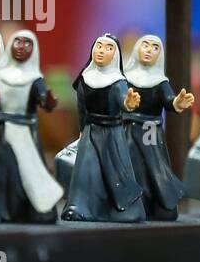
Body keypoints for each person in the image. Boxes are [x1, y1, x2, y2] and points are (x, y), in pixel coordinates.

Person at [0, 30, 62, 224]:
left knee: (30, 172)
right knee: (1, 172)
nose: (21, 47)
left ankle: (30, 211)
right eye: (17, 42)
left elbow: (44, 101)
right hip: (3, 132)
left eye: (27, 43)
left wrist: (49, 101)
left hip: (27, 135)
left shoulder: (35, 79)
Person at [61, 34, 146, 223]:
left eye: (108, 48)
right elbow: (81, 107)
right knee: (86, 170)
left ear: (115, 55)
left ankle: (120, 210)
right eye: (99, 46)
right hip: (91, 131)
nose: (102, 50)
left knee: (114, 173)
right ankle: (80, 207)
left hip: (111, 134)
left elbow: (123, 100)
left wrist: (128, 104)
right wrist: (82, 128)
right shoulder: (85, 77)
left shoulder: (117, 81)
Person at [122, 34, 195, 221]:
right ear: (137, 48)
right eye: (145, 45)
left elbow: (169, 100)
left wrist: (177, 102)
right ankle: (132, 202)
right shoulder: (125, 77)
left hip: (150, 131)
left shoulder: (160, 82)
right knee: (130, 165)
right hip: (127, 129)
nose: (149, 50)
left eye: (155, 47)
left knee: (154, 167)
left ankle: (158, 201)